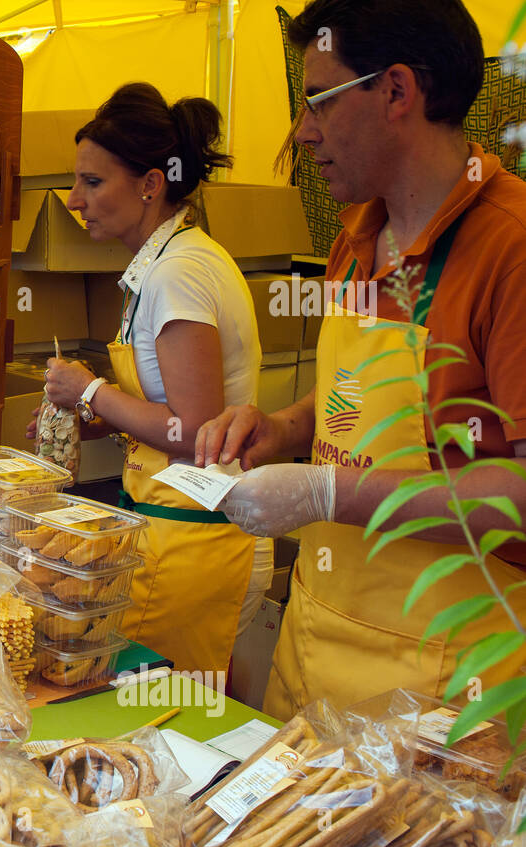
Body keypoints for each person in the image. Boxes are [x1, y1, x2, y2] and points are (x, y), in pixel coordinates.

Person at [195, 0, 526, 719]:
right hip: (314, 654)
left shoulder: (509, 246)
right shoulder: (356, 238)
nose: (302, 133)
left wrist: (327, 496)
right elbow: (352, 394)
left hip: (444, 692)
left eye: (317, 100)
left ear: (397, 91)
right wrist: (282, 428)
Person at [33, 83, 269, 675]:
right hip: (173, 527)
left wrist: (89, 389)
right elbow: (163, 409)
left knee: (154, 717)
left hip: (197, 537)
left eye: (92, 182)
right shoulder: (168, 263)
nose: (74, 199)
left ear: (149, 184)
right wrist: (89, 419)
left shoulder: (179, 274)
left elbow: (194, 432)